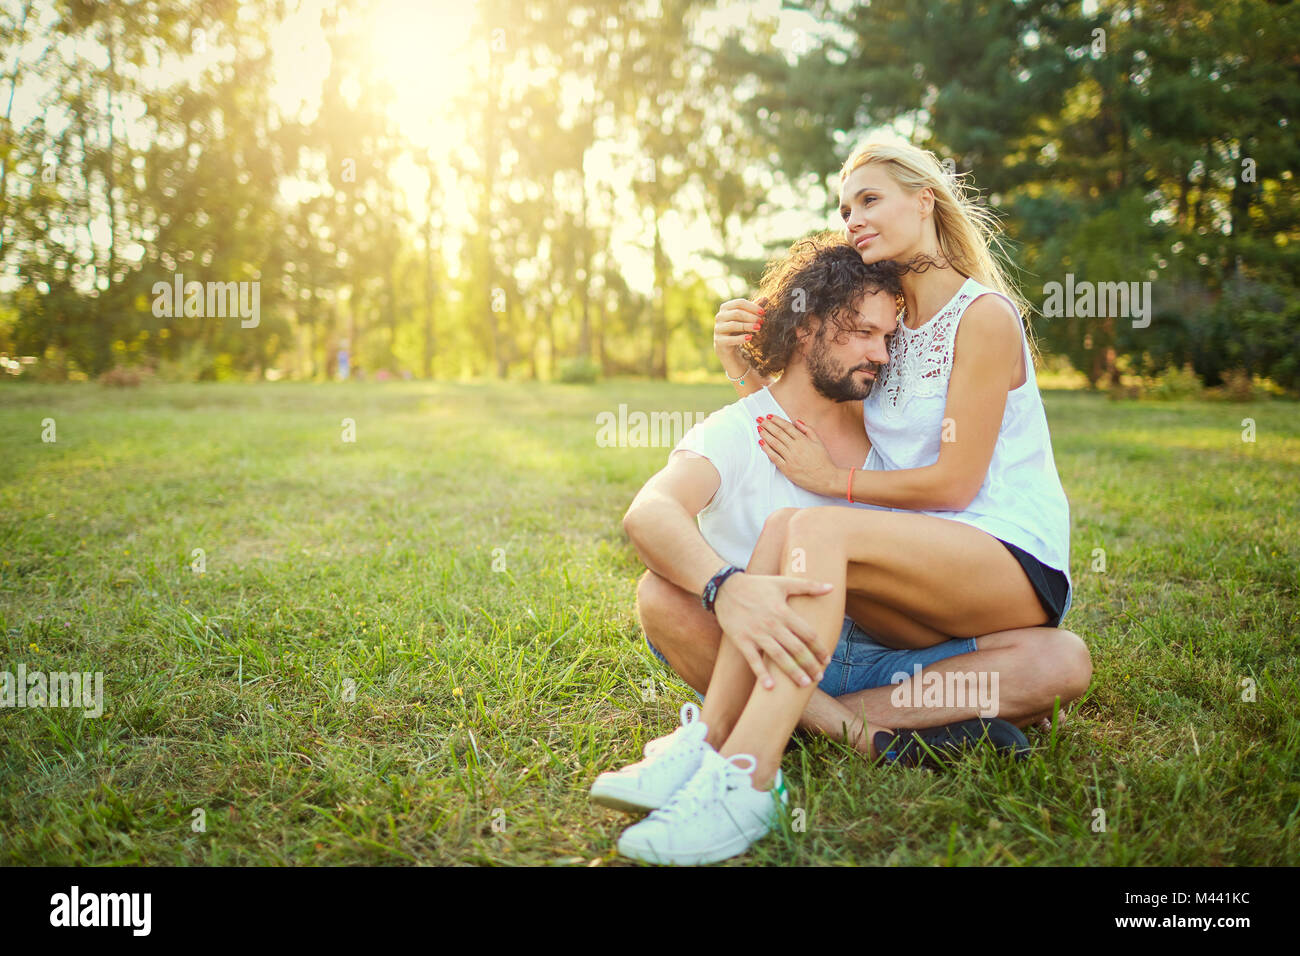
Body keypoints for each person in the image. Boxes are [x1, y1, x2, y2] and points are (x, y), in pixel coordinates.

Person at [598, 215, 1089, 862]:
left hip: (889, 650)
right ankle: (809, 749)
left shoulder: (890, 431)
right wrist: (729, 589)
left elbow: (949, 482)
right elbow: (651, 513)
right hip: (767, 640)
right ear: (805, 326)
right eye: (863, 333)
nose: (882, 355)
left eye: (888, 336)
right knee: (660, 596)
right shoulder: (737, 428)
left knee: (1063, 660)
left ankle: (789, 728)